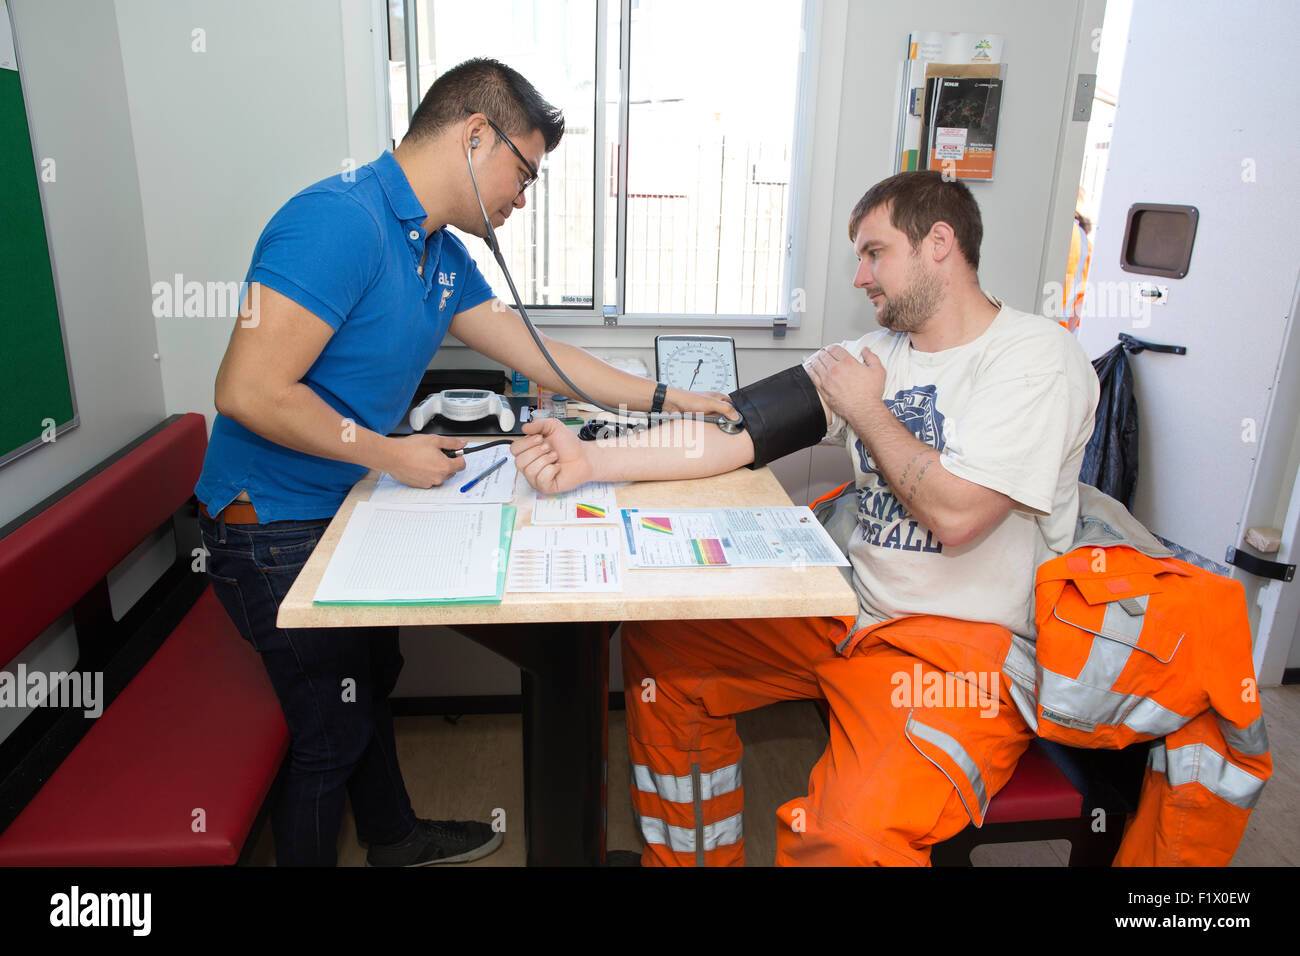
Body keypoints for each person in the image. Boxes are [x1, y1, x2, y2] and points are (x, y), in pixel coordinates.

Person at [195, 57, 735, 867]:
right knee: (329, 734)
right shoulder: (337, 220)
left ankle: (393, 838)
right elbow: (244, 389)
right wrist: (389, 453)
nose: (525, 197)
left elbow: (548, 357)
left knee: (369, 682)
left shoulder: (439, 254)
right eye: (523, 172)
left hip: (336, 508)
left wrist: (675, 400)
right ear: (475, 135)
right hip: (266, 523)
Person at [512, 171, 1100, 865]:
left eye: (874, 253)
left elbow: (959, 515)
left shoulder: (1035, 357)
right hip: (853, 615)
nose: (859, 277)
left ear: (939, 243)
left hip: (962, 652)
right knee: (667, 655)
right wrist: (589, 460)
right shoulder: (871, 357)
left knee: (846, 839)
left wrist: (867, 410)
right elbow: (732, 431)